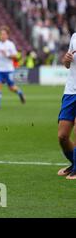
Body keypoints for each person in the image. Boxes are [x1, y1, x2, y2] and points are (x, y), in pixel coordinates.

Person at [57, 34, 76, 180]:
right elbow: (67, 64)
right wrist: (66, 60)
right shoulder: (74, 36)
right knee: (63, 136)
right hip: (70, 91)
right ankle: (73, 162)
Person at [0, 26, 25, 110]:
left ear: (7, 35)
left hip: (8, 69)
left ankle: (19, 92)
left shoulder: (10, 44)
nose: (2, 36)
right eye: (1, 34)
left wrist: (7, 54)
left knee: (11, 87)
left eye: (4, 34)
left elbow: (15, 56)